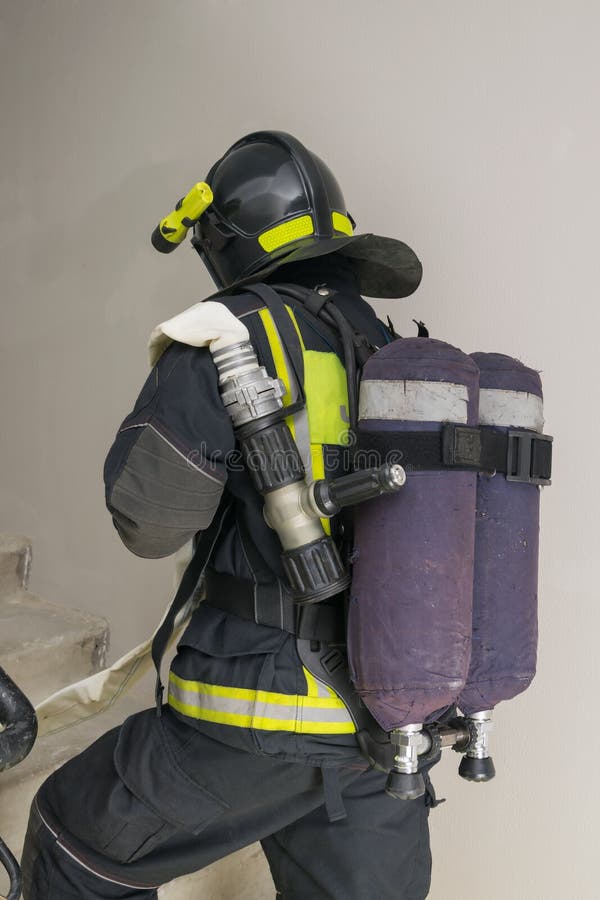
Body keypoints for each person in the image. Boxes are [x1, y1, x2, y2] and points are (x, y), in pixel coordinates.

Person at [21, 131, 439, 900]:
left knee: (70, 832)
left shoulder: (231, 337)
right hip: (389, 710)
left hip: (262, 709)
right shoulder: (384, 345)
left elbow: (149, 525)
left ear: (224, 243)